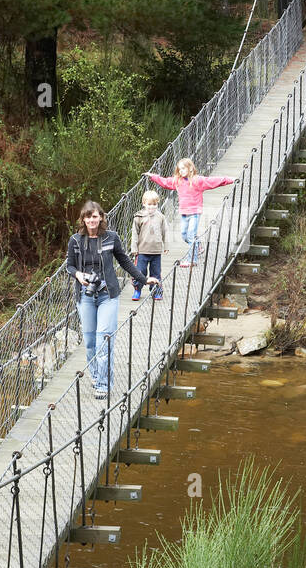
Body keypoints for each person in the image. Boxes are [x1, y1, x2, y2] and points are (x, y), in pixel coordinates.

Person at [66, 201, 159, 399]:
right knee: (90, 341)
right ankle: (96, 374)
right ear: (83, 219)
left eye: (95, 216)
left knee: (104, 338)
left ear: (101, 217)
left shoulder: (111, 237)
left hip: (108, 294)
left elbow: (124, 260)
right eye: (88, 216)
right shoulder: (75, 240)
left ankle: (103, 384)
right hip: (85, 295)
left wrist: (144, 279)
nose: (92, 220)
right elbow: (69, 266)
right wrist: (79, 276)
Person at [143, 158, 235, 267]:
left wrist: (230, 179)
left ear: (190, 168)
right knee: (184, 236)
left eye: (183, 168)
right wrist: (153, 177)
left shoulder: (198, 180)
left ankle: (192, 260)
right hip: (184, 213)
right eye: (179, 169)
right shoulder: (178, 181)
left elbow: (214, 181)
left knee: (191, 235)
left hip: (195, 213)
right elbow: (165, 182)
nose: (181, 171)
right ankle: (198, 245)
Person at [130, 190, 169, 301]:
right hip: (142, 251)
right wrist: (134, 248)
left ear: (157, 204)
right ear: (144, 203)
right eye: (149, 204)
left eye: (154, 204)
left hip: (156, 251)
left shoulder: (161, 217)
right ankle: (137, 289)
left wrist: (166, 246)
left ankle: (156, 291)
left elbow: (165, 232)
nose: (152, 207)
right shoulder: (139, 216)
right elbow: (135, 233)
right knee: (139, 272)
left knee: (156, 273)